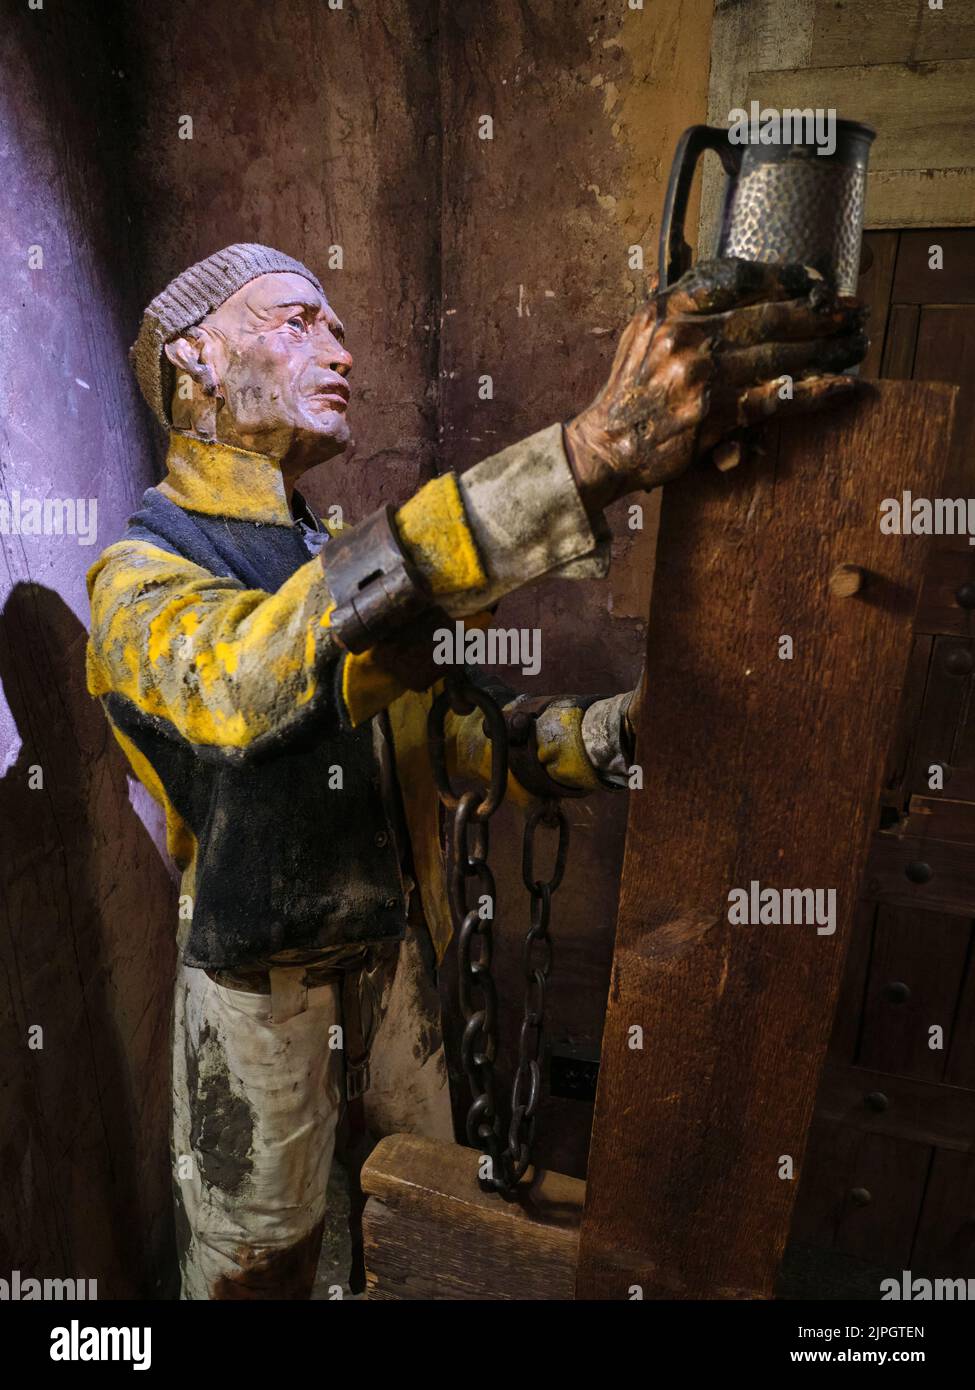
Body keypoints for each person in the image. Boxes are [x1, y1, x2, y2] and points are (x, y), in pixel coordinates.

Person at [86, 243, 866, 1298]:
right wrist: (583, 456)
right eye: (298, 320)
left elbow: (461, 737)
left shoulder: (327, 550)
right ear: (196, 355)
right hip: (257, 1006)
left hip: (396, 968)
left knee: (415, 1234)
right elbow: (243, 680)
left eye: (341, 327)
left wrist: (631, 732)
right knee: (257, 1273)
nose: (341, 350)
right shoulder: (139, 575)